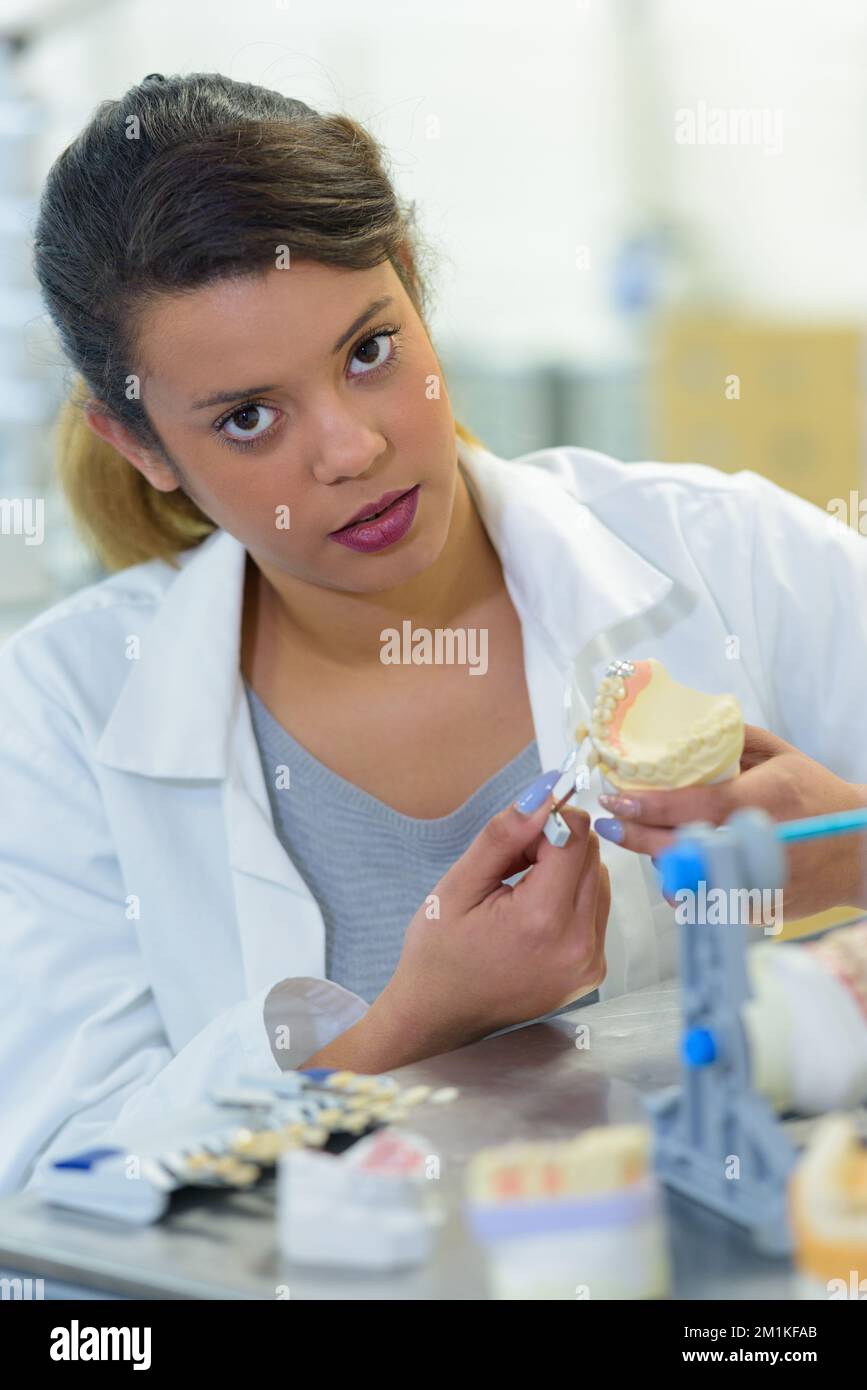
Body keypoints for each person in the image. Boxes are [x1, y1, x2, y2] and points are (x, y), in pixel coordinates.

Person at [0, 72, 865, 1193]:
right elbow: (59, 1192)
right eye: (248, 418)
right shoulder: (63, 707)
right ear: (141, 446)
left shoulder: (732, 554)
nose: (351, 448)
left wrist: (845, 848)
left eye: (368, 350)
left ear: (411, 282)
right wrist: (414, 1023)